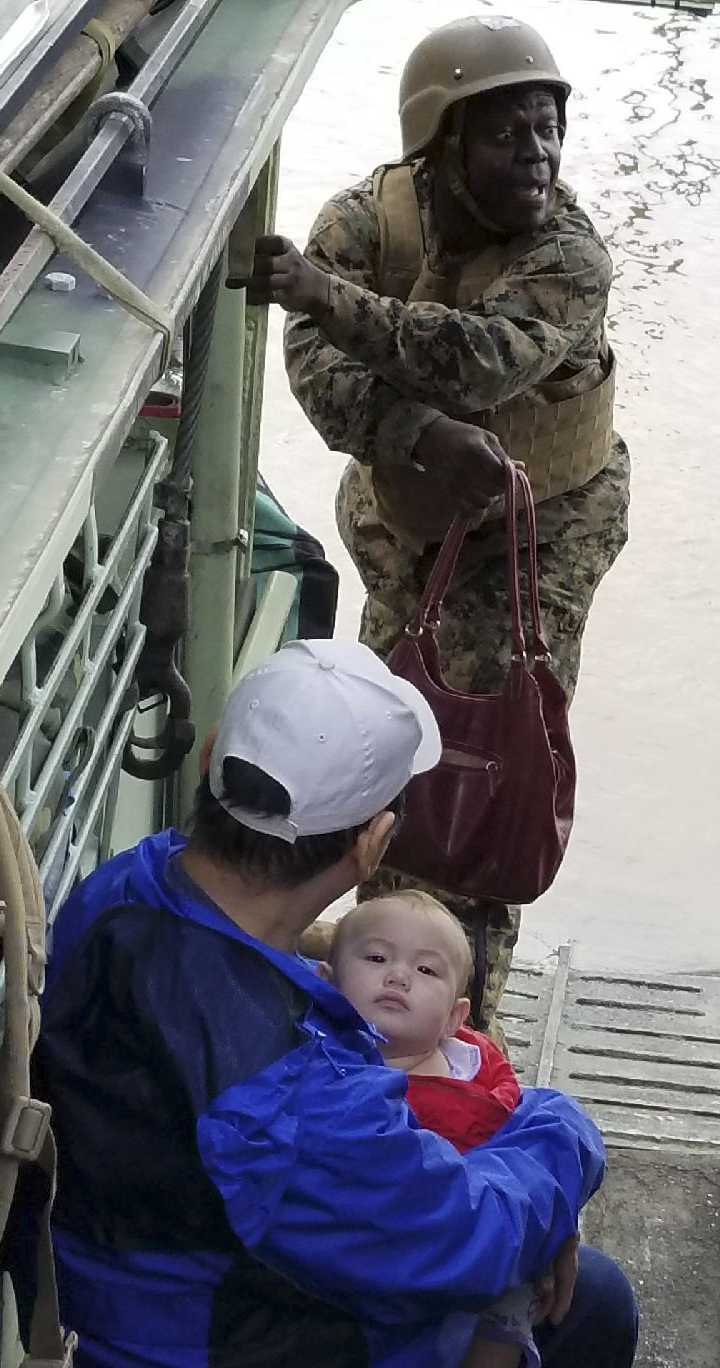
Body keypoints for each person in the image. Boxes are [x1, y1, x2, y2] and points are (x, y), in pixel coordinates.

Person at [32, 638, 637, 1368]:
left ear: (214, 759)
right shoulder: (293, 1101)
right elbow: (471, 1235)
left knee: (583, 1294)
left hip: (121, 1332)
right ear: (369, 844)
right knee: (594, 1306)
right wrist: (564, 1126)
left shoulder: (124, 891)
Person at [247, 15, 631, 1032]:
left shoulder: (569, 255)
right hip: (405, 529)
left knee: (489, 770)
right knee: (388, 749)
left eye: (550, 130)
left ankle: (460, 1020)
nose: (537, 155)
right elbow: (316, 371)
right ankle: (382, 976)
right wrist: (413, 431)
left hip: (537, 539)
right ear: (443, 142)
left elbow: (483, 357)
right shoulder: (366, 223)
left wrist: (333, 299)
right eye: (509, 134)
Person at [324, 889, 546, 1368]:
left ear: (455, 1018)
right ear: (326, 984)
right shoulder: (320, 1071)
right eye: (376, 959)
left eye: (426, 969)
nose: (397, 977)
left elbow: (524, 1148)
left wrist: (550, 1227)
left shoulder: (482, 1075)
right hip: (397, 1268)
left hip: (493, 1255)